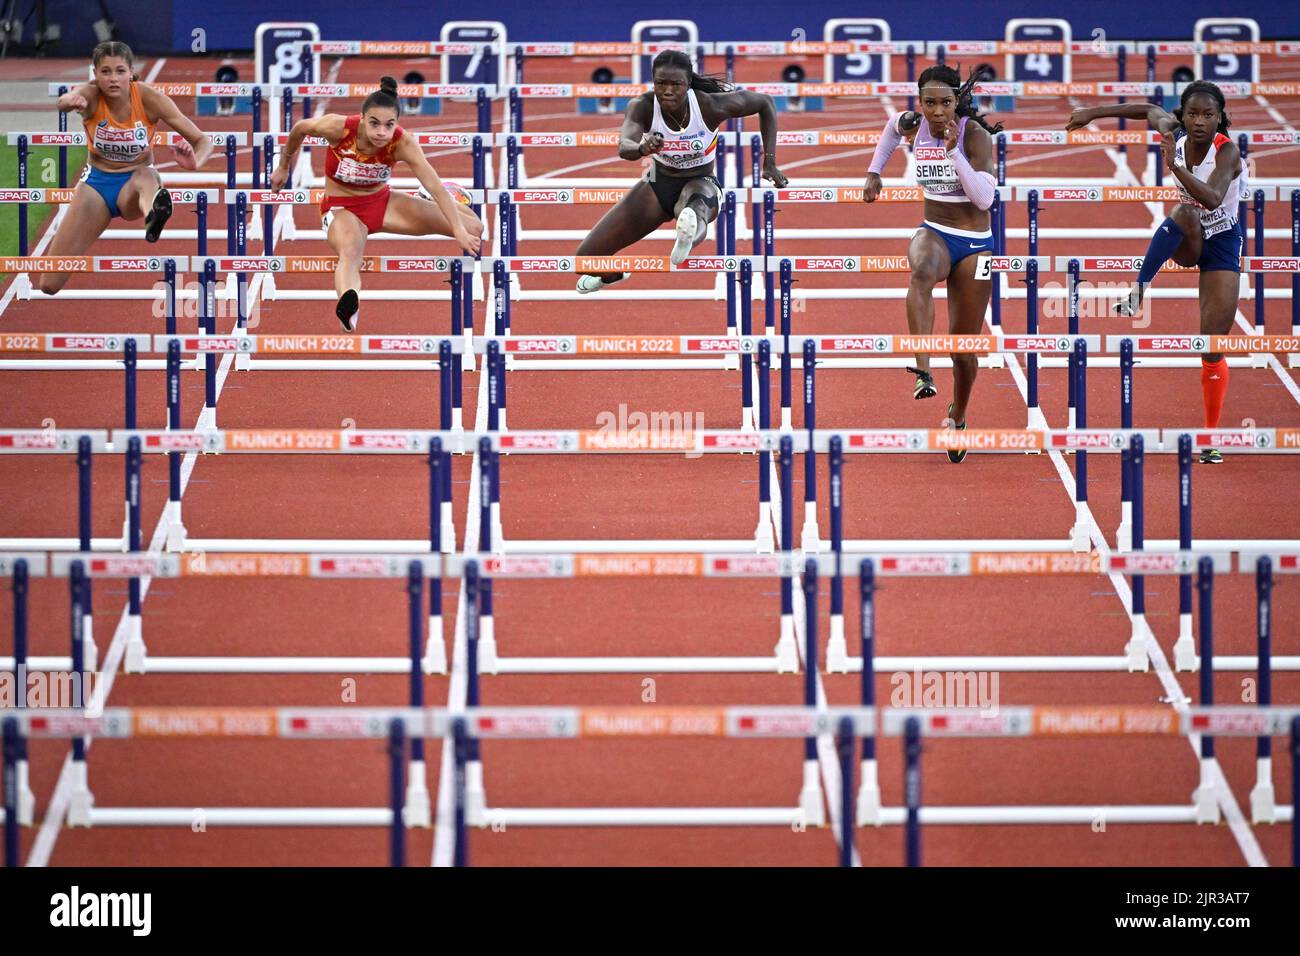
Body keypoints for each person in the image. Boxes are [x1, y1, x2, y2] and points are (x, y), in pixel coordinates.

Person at [1067, 81, 1246, 463]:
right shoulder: (1175, 134)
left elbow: (1212, 197)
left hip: (1223, 241)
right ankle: (1138, 290)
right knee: (1183, 212)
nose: (1199, 122)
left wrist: (1175, 167)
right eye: (1193, 114)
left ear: (1220, 118)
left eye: (1208, 115)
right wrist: (1091, 115)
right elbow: (1147, 109)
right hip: (1188, 236)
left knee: (1212, 346)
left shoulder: (1227, 152)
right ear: (1183, 116)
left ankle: (1210, 438)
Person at [862, 65, 1002, 462]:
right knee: (921, 272)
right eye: (929, 103)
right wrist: (875, 173)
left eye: (944, 103)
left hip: (975, 245)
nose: (937, 112)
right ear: (920, 103)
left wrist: (954, 151)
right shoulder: (914, 124)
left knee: (963, 350)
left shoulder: (975, 136)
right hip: (935, 230)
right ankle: (922, 370)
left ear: (957, 101)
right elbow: (891, 130)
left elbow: (984, 200)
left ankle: (958, 416)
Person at [272, 76, 483, 331]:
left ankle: (421, 200)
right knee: (351, 251)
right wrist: (284, 165)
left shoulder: (402, 142)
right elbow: (301, 128)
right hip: (343, 209)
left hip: (383, 203)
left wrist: (458, 230)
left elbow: (436, 185)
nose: (381, 132)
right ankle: (348, 306)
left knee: (474, 228)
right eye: (374, 124)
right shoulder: (339, 128)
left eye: (388, 125)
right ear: (362, 118)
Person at [574, 49, 788, 293]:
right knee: (586, 258)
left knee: (693, 210)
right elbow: (625, 146)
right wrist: (642, 148)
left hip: (701, 181)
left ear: (688, 85)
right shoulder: (642, 106)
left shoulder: (709, 106)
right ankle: (611, 276)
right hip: (658, 184)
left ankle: (686, 237)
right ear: (652, 81)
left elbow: (765, 103)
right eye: (660, 83)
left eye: (676, 84)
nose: (667, 91)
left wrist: (769, 161)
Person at [40, 41, 213, 295]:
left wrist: (195, 162)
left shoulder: (149, 99)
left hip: (134, 184)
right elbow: (63, 102)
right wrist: (70, 101)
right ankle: (153, 208)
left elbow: (203, 140)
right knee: (49, 284)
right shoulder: (89, 95)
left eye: (120, 71)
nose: (112, 79)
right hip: (96, 186)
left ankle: (153, 213)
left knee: (148, 174)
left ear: (131, 73)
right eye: (105, 72)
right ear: (95, 74)